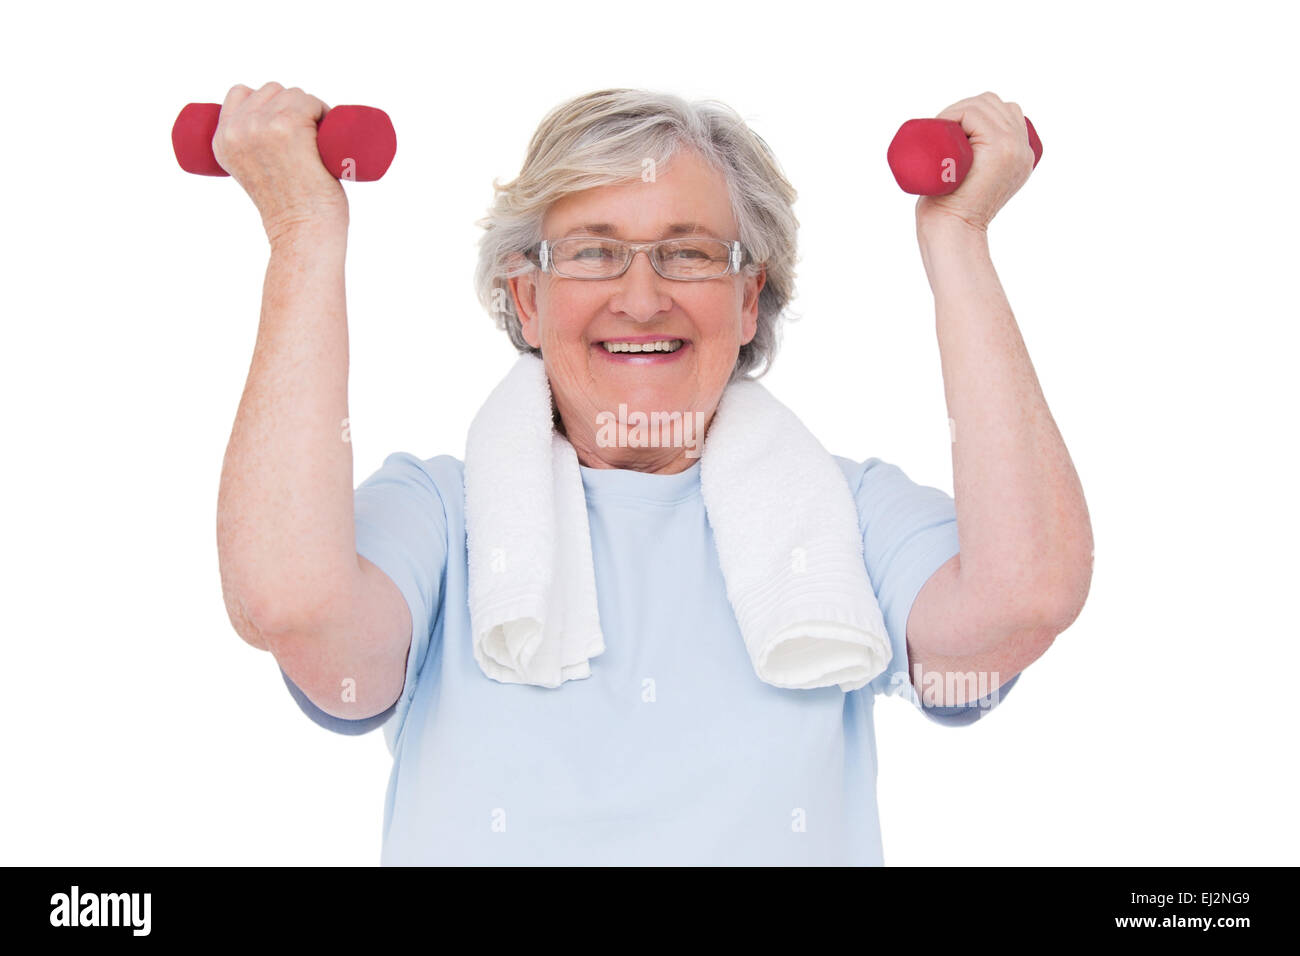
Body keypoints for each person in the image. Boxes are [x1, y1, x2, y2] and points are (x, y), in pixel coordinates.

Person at [215, 84, 1093, 865]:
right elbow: (291, 605)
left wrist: (959, 237)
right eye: (595, 252)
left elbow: (1022, 601)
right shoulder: (444, 515)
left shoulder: (845, 517)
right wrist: (301, 230)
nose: (641, 297)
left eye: (690, 253)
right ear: (527, 299)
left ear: (750, 300)